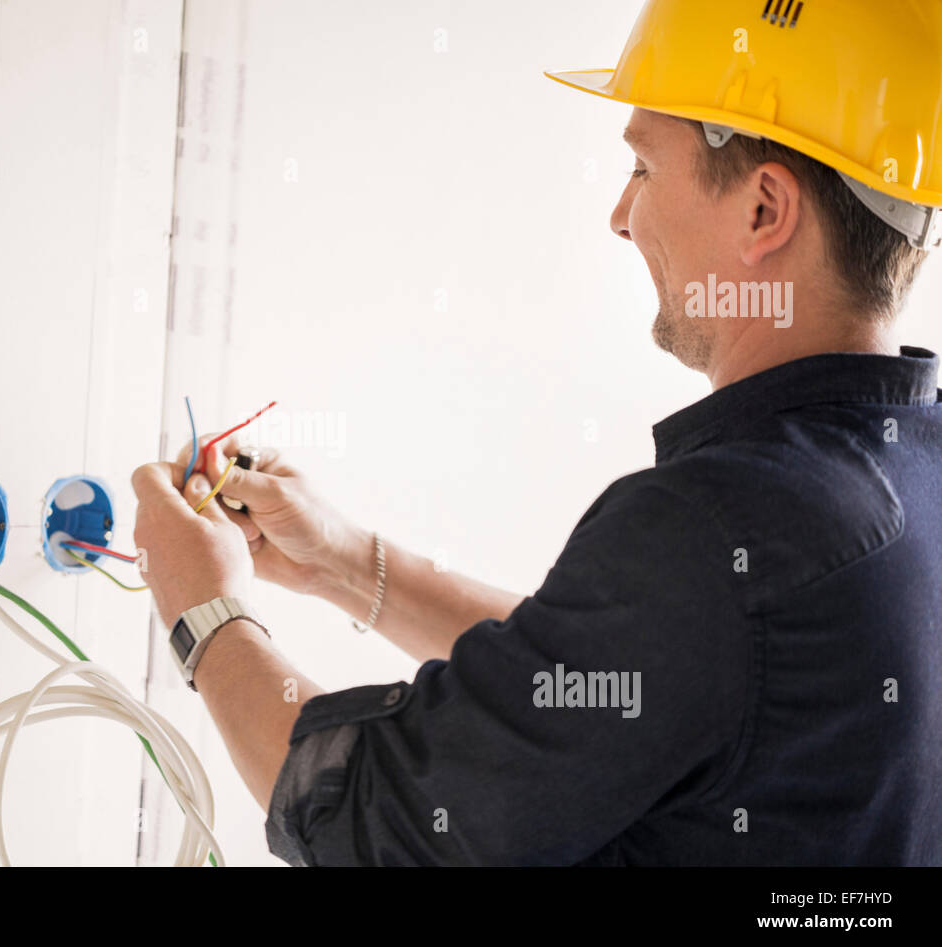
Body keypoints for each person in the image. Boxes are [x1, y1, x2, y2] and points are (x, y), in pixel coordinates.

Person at [130, 0, 942, 864]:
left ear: (762, 210)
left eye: (642, 166)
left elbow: (376, 822)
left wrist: (204, 613)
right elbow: (629, 681)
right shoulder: (904, 476)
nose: (621, 214)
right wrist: (346, 563)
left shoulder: (726, 524)